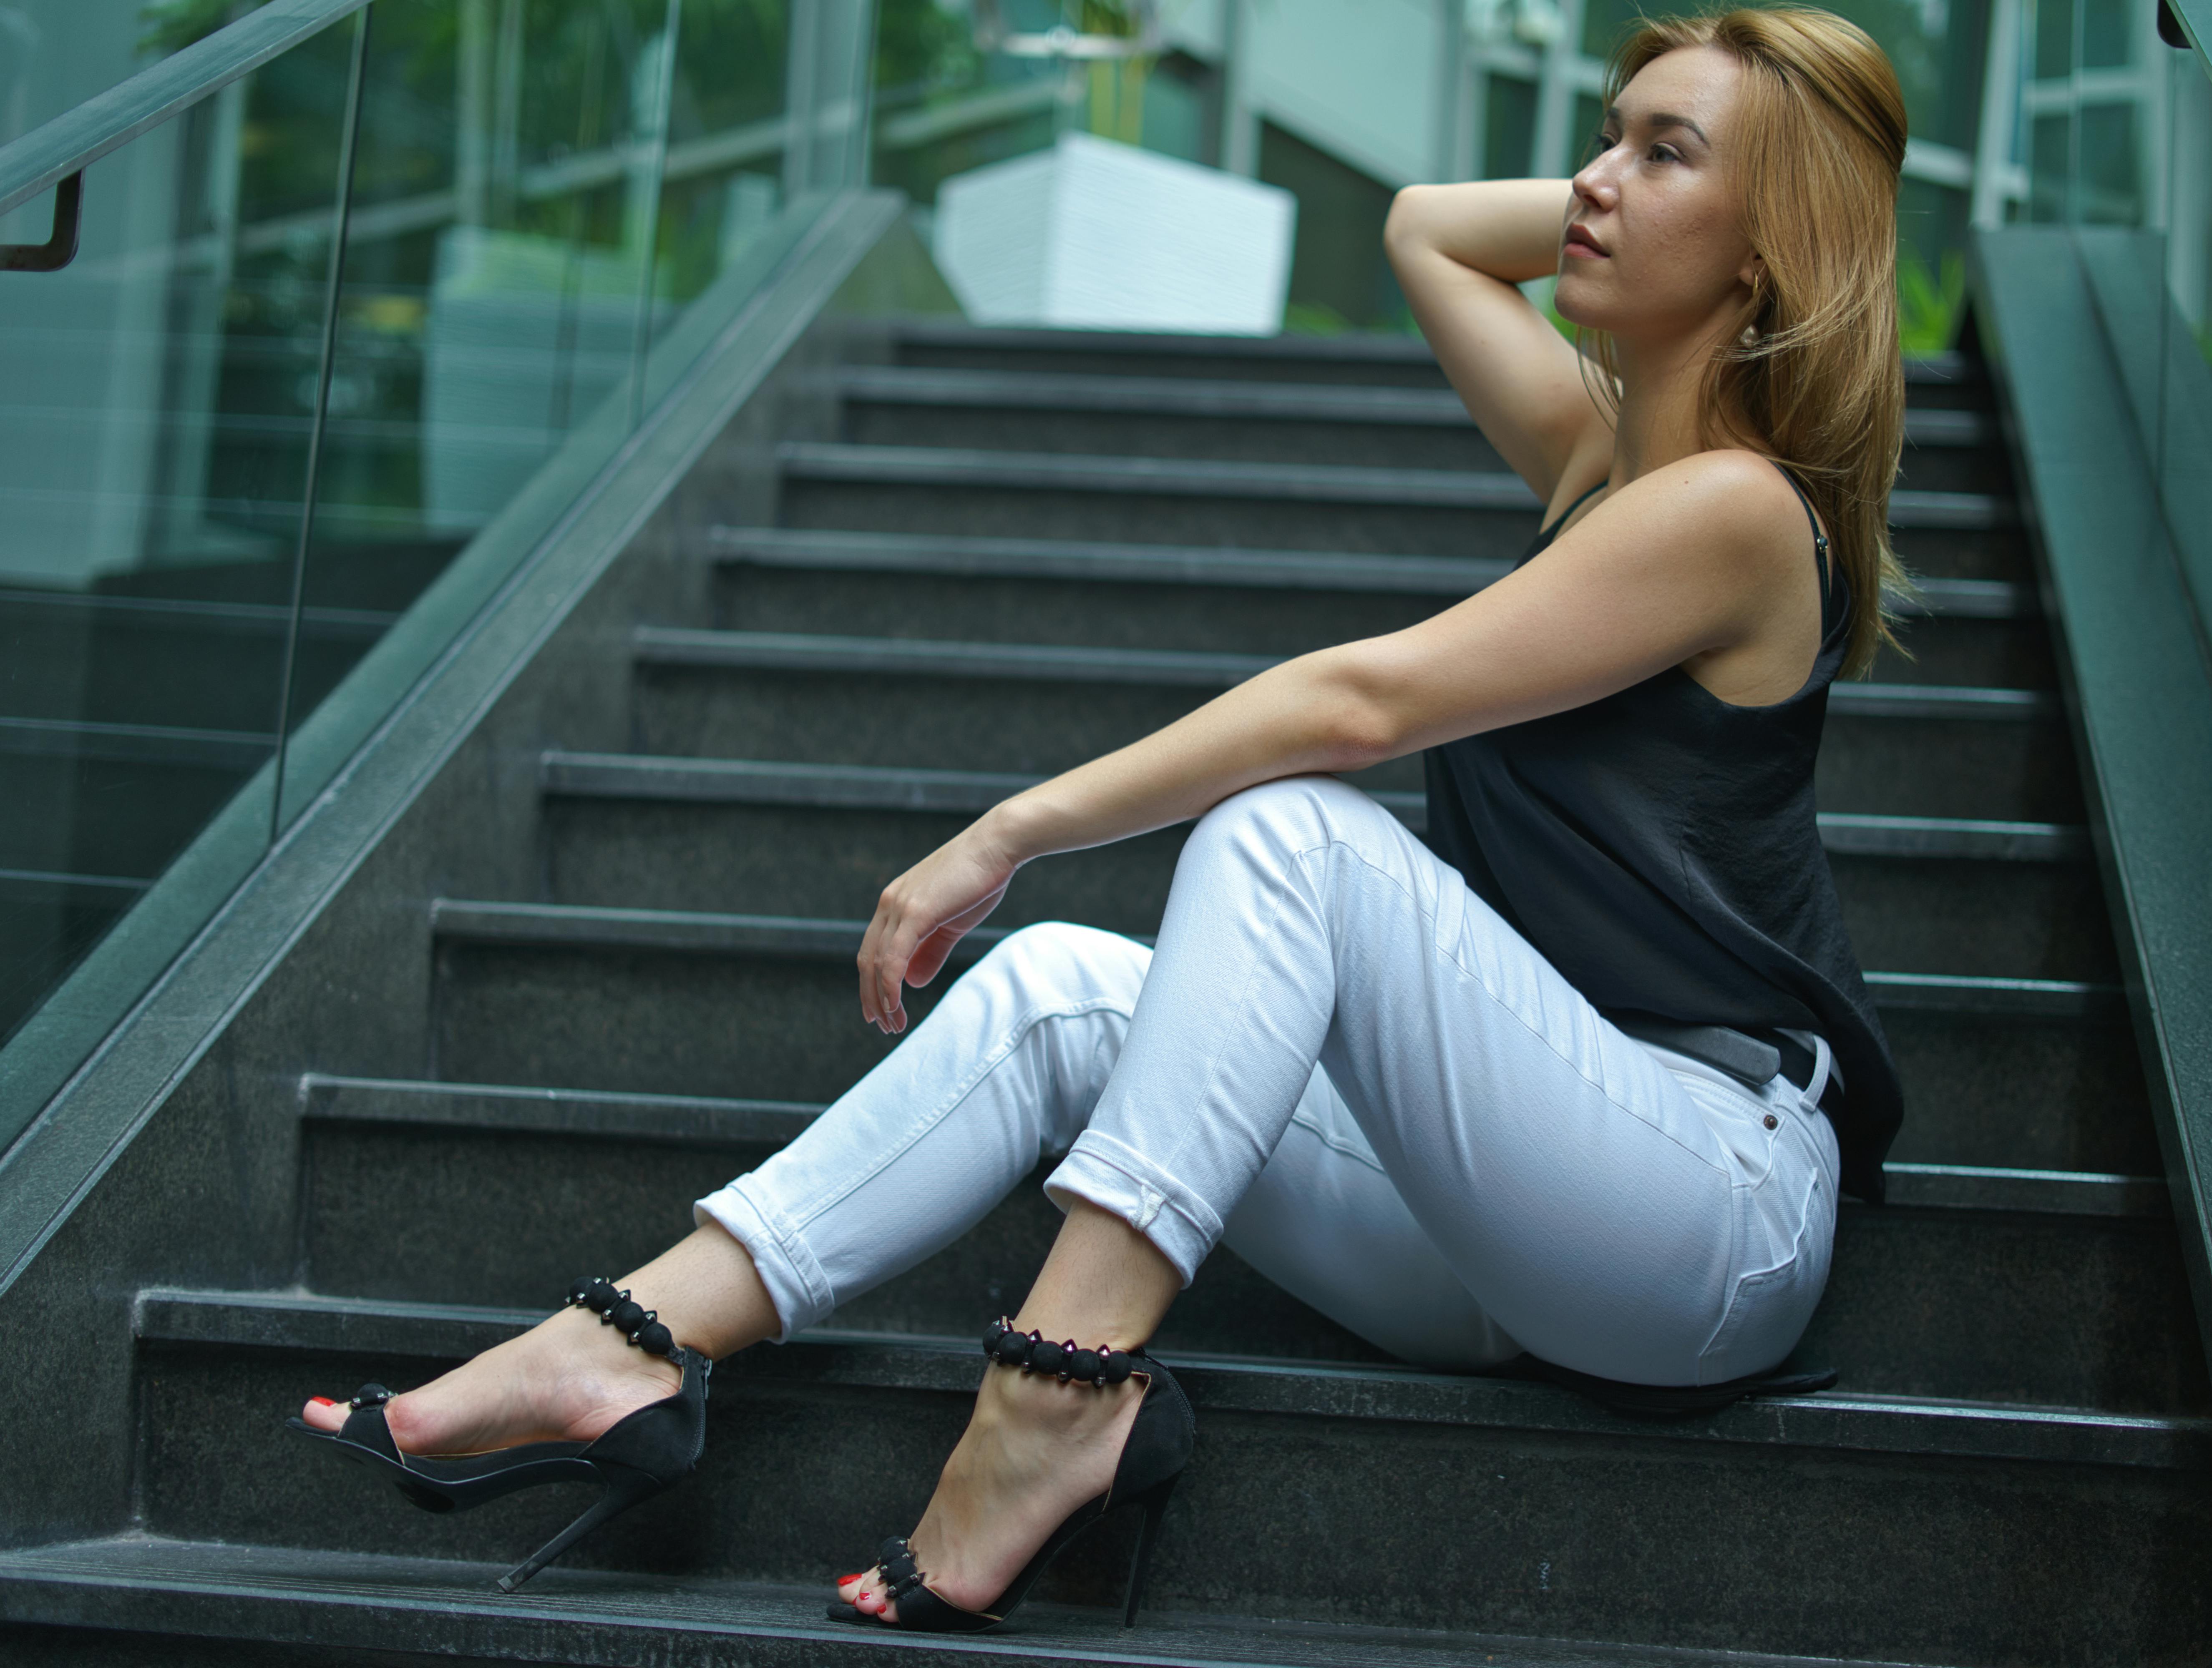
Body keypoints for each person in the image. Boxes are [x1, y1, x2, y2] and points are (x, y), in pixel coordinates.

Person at [291, 4, 1912, 1632]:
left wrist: (1010, 822)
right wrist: (1646, 166)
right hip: (1510, 1216)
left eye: (1661, 154)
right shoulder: (1599, 458)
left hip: (1707, 1206)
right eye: (1600, 136)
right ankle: (628, 1345)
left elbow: (1359, 708)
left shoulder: (1737, 511)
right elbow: (1427, 231)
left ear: (1769, 252)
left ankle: (1062, 1390)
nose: (1591, 181)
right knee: (1061, 985)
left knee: (1294, 834)